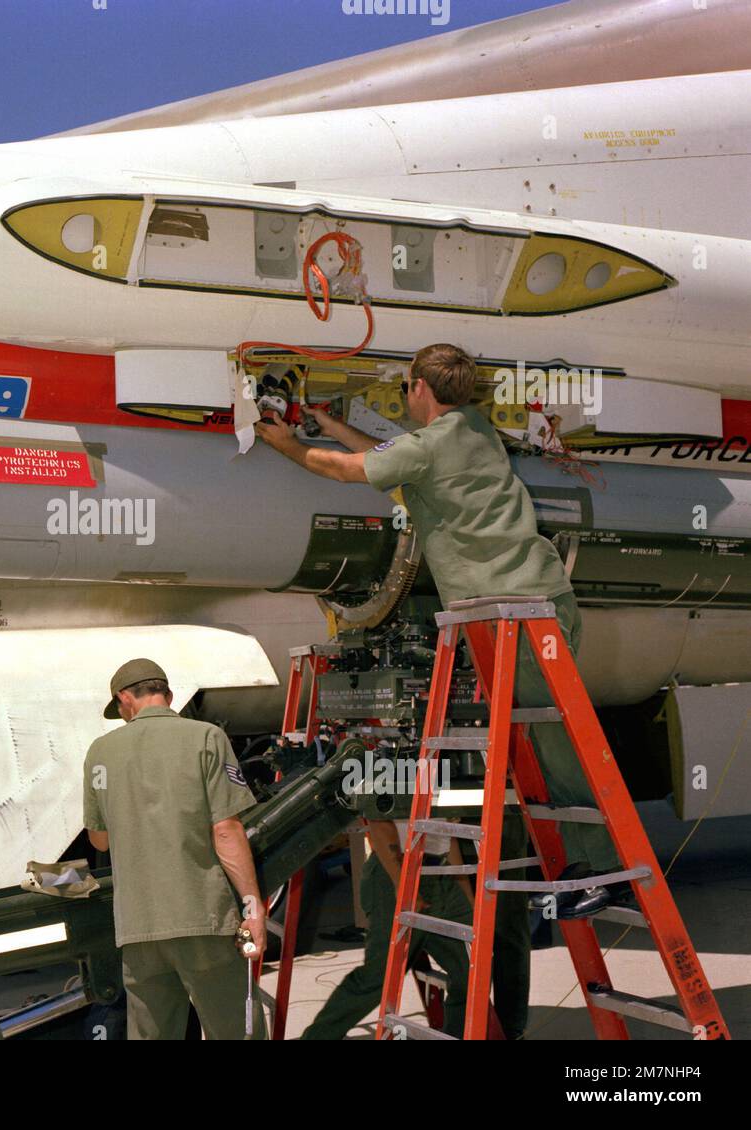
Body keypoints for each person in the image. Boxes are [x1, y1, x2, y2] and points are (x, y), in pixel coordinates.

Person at [255, 343, 625, 1032]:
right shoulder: (471, 432)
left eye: (406, 389)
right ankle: (585, 866)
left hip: (518, 611)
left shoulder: (435, 446)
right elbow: (394, 451)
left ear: (419, 386)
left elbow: (351, 470)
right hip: (519, 605)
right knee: (536, 736)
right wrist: (329, 423)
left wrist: (281, 440)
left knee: (554, 739)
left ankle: (599, 869)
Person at [83, 658, 268, 1040]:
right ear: (167, 695)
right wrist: (253, 907)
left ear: (124, 700)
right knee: (237, 1030)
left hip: (137, 927)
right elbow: (226, 831)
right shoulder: (206, 737)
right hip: (202, 917)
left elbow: (99, 839)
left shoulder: (100, 752)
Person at [302, 817, 473, 1039]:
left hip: (440, 873)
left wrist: (467, 894)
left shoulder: (442, 782)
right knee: (378, 977)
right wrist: (402, 883)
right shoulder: (395, 782)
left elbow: (448, 836)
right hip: (396, 872)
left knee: (471, 968)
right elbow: (378, 823)